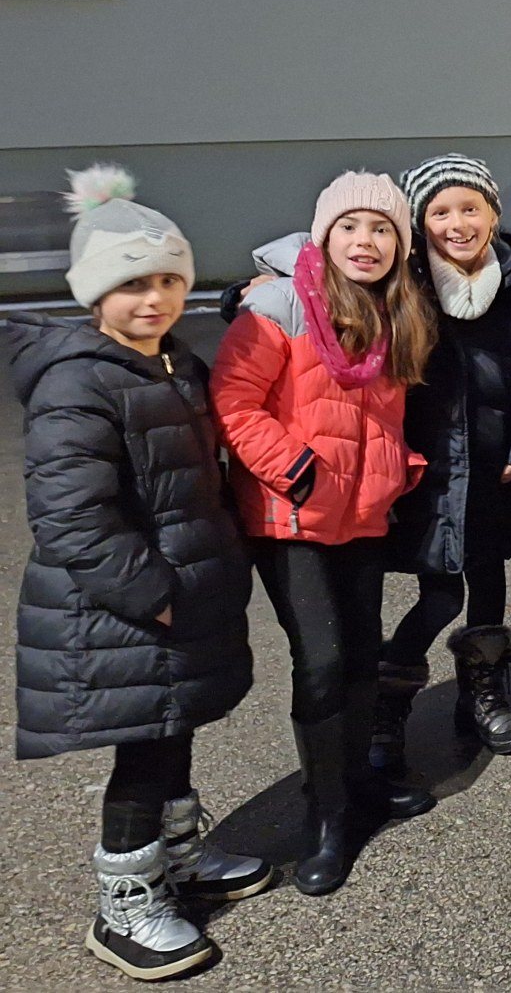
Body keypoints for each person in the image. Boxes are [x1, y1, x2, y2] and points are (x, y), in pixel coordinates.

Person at [2, 167, 267, 980]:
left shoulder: (170, 365)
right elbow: (72, 515)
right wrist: (153, 595)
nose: (151, 299)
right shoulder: (80, 380)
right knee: (142, 756)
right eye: (130, 285)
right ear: (93, 293)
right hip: (122, 609)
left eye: (166, 281)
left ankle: (177, 860)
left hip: (174, 597)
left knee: (171, 731)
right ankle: (124, 906)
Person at [211, 171, 437, 896]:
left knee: (364, 654)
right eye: (350, 227)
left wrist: (400, 468)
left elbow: (386, 419)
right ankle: (326, 814)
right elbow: (234, 401)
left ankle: (359, 783)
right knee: (322, 660)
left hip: (362, 515)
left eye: (381, 230)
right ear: (324, 234)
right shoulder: (280, 304)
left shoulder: (398, 312)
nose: (364, 242)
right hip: (293, 516)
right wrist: (298, 472)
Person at [371, 154, 511, 773]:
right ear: (420, 224)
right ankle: (387, 701)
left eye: (469, 207)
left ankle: (483, 693)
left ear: (493, 215)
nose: (457, 223)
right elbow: (319, 282)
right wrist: (247, 289)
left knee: (489, 576)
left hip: (495, 469)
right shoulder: (403, 289)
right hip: (427, 472)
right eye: (440, 211)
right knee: (440, 590)